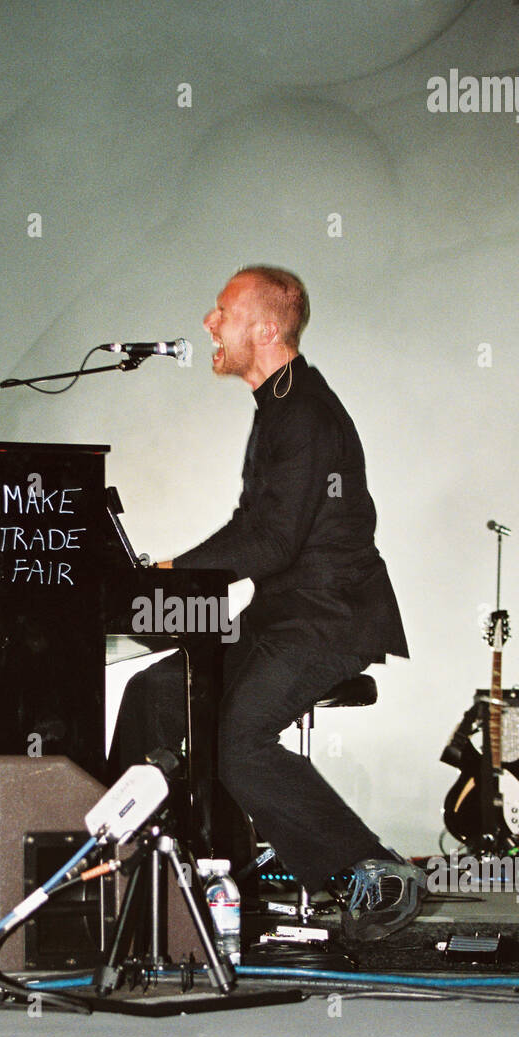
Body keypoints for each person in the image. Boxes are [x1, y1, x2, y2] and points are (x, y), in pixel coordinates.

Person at [109, 265, 425, 942]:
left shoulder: (305, 412)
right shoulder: (278, 407)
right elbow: (253, 529)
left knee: (241, 745)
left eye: (221, 311)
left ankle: (370, 872)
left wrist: (165, 574)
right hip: (278, 617)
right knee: (155, 691)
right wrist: (163, 575)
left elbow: (271, 540)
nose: (207, 324)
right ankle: (126, 867)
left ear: (265, 326)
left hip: (327, 617)